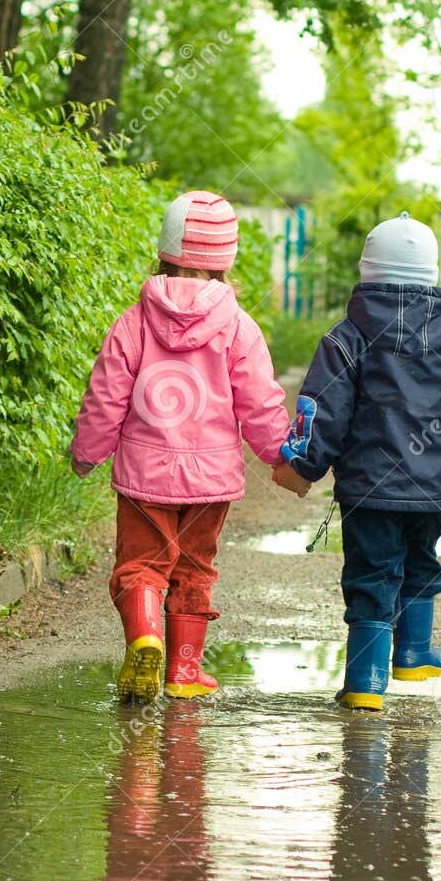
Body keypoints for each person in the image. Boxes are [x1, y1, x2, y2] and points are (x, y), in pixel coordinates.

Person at [274, 212, 441, 712]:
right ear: (432, 275)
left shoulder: (346, 338)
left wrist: (301, 465)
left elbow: (321, 409)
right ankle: (414, 652)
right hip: (433, 487)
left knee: (372, 573)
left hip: (368, 489)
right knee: (421, 559)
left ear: (367, 271)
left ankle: (366, 683)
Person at [71, 191, 290, 702]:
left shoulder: (133, 322)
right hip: (210, 482)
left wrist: (87, 451)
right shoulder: (238, 326)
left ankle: (145, 636)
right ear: (224, 262)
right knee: (195, 569)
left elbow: (106, 395)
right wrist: (282, 456)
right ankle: (184, 672)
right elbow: (259, 402)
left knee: (142, 565)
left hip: (145, 477)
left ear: (164, 252)